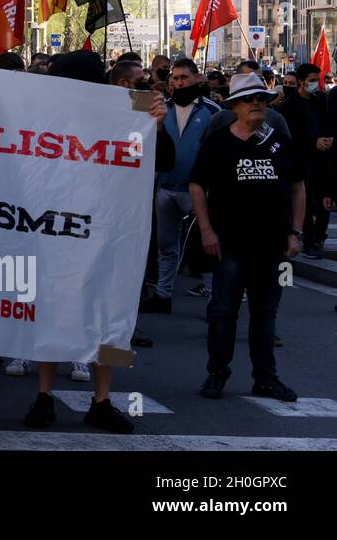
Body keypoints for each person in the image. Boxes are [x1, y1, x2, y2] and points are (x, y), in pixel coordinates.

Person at [19, 50, 171, 434]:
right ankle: (44, 395)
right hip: (55, 228)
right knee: (52, 309)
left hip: (110, 230)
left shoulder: (127, 107)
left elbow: (165, 158)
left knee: (110, 313)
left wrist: (159, 123)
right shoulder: (42, 108)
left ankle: (101, 399)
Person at [191, 72, 302, 401]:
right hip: (229, 244)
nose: (257, 103)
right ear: (235, 105)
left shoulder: (281, 142)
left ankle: (266, 377)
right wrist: (207, 229)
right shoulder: (219, 142)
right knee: (223, 311)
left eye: (262, 99)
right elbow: (197, 184)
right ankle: (217, 374)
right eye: (249, 99)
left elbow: (298, 187)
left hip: (272, 246)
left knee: (266, 313)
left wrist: (296, 232)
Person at [144, 58, 220, 315]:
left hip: (197, 191)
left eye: (183, 77)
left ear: (197, 78)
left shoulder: (213, 112)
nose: (178, 82)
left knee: (206, 248)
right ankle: (163, 295)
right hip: (166, 188)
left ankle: (214, 300)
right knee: (166, 245)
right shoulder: (161, 109)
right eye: (174, 78)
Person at [278, 63, 331, 260]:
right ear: (301, 82)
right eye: (311, 81)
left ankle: (319, 236)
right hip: (302, 161)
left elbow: (326, 124)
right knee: (306, 202)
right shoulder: (289, 106)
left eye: (317, 80)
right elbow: (291, 136)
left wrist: (327, 139)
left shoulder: (319, 100)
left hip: (322, 161)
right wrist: (313, 143)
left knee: (325, 199)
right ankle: (309, 240)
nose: (315, 84)